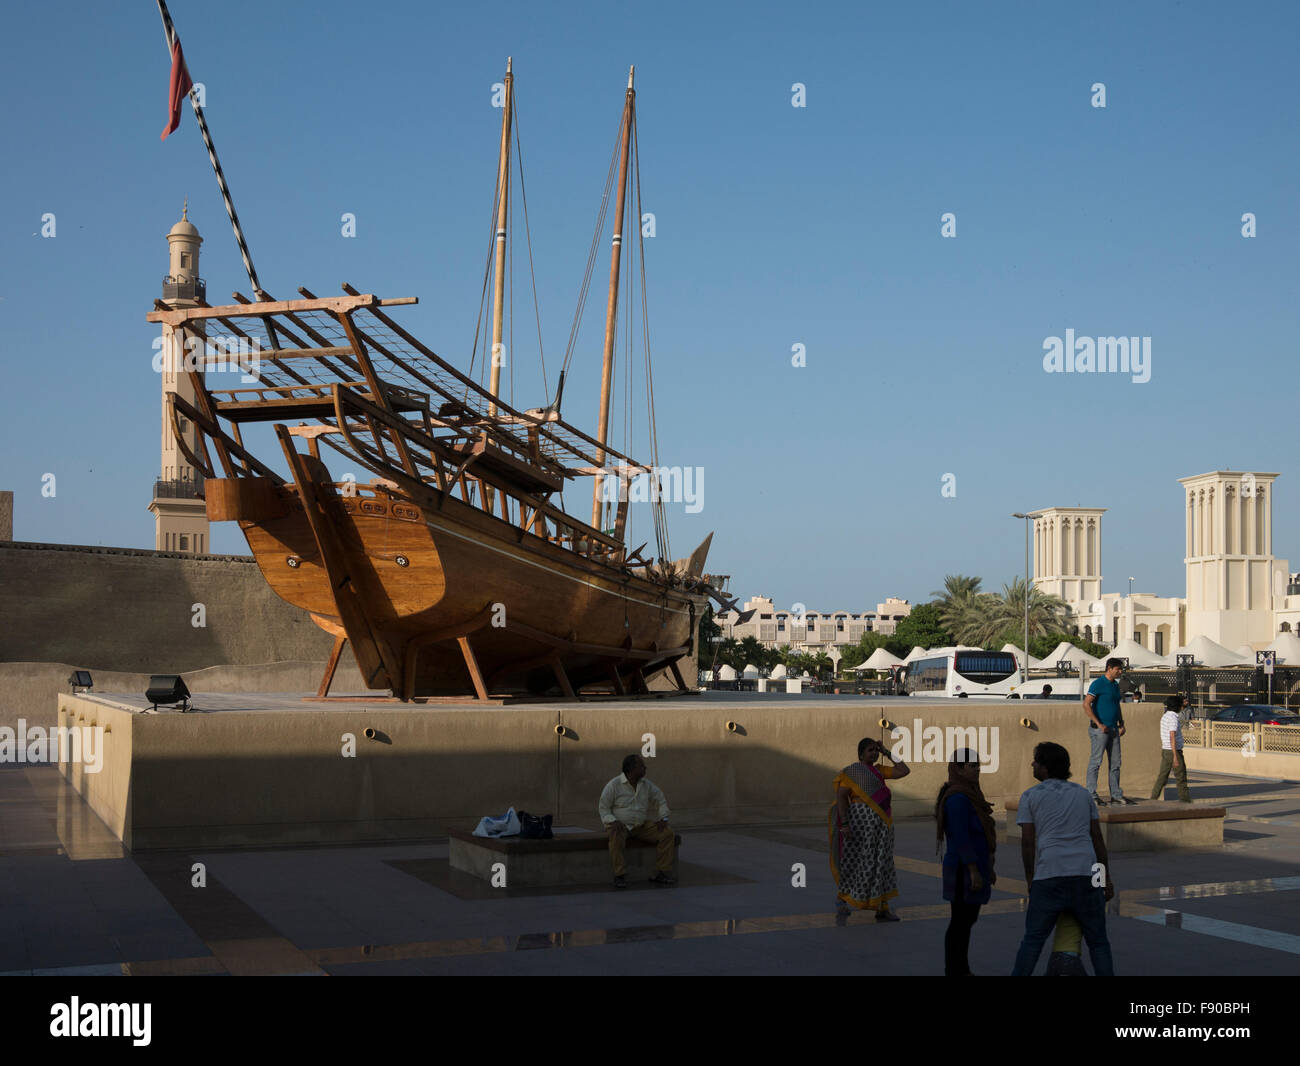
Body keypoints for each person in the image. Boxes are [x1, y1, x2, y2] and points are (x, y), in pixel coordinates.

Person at [1011, 742, 1115, 976]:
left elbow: (1028, 842)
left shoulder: (1030, 796)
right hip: (1087, 876)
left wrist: (1030, 879)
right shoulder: (1082, 794)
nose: (1032, 764)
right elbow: (1097, 840)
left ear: (1045, 768)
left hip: (1049, 875)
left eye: (1036, 760)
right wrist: (1105, 880)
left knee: (1033, 941)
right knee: (1098, 942)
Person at [831, 737, 910, 921]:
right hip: (859, 825)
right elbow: (842, 797)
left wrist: (886, 752)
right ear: (861, 754)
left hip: (882, 825)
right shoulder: (851, 772)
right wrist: (844, 824)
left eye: (876, 750)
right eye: (870, 750)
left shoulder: (879, 771)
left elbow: (904, 770)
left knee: (881, 862)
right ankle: (842, 899)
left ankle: (882, 908)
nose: (874, 753)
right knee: (856, 862)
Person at [936, 749, 996, 975]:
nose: (977, 769)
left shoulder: (972, 795)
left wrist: (988, 866)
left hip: (974, 867)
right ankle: (955, 969)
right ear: (959, 769)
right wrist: (974, 871)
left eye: (978, 765)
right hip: (963, 870)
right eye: (972, 765)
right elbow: (961, 838)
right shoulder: (958, 798)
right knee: (960, 923)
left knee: (966, 921)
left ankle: (961, 968)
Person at [598, 754, 676, 889]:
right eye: (641, 766)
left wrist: (664, 818)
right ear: (631, 769)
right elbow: (603, 808)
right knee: (615, 837)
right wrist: (613, 821)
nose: (645, 768)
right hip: (621, 826)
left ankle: (662, 872)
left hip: (641, 826)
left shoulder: (647, 785)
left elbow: (660, 800)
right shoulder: (614, 785)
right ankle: (619, 875)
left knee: (667, 834)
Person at [1085, 658, 1136, 804]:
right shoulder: (1098, 684)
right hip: (1100, 730)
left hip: (1114, 728)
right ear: (1109, 668)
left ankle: (1116, 794)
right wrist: (1099, 724)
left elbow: (1116, 705)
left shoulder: (1115, 685)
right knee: (1096, 762)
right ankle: (1091, 793)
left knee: (1116, 763)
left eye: (1121, 669)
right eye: (1118, 669)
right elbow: (1086, 704)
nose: (1120, 672)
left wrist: (1121, 723)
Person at [1150, 694, 1191, 803]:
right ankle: (1185, 801)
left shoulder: (1165, 716)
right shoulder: (1173, 718)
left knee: (1162, 777)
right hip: (1174, 751)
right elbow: (1172, 736)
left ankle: (1153, 799)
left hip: (1166, 750)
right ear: (1176, 706)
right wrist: (1175, 757)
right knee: (1181, 777)